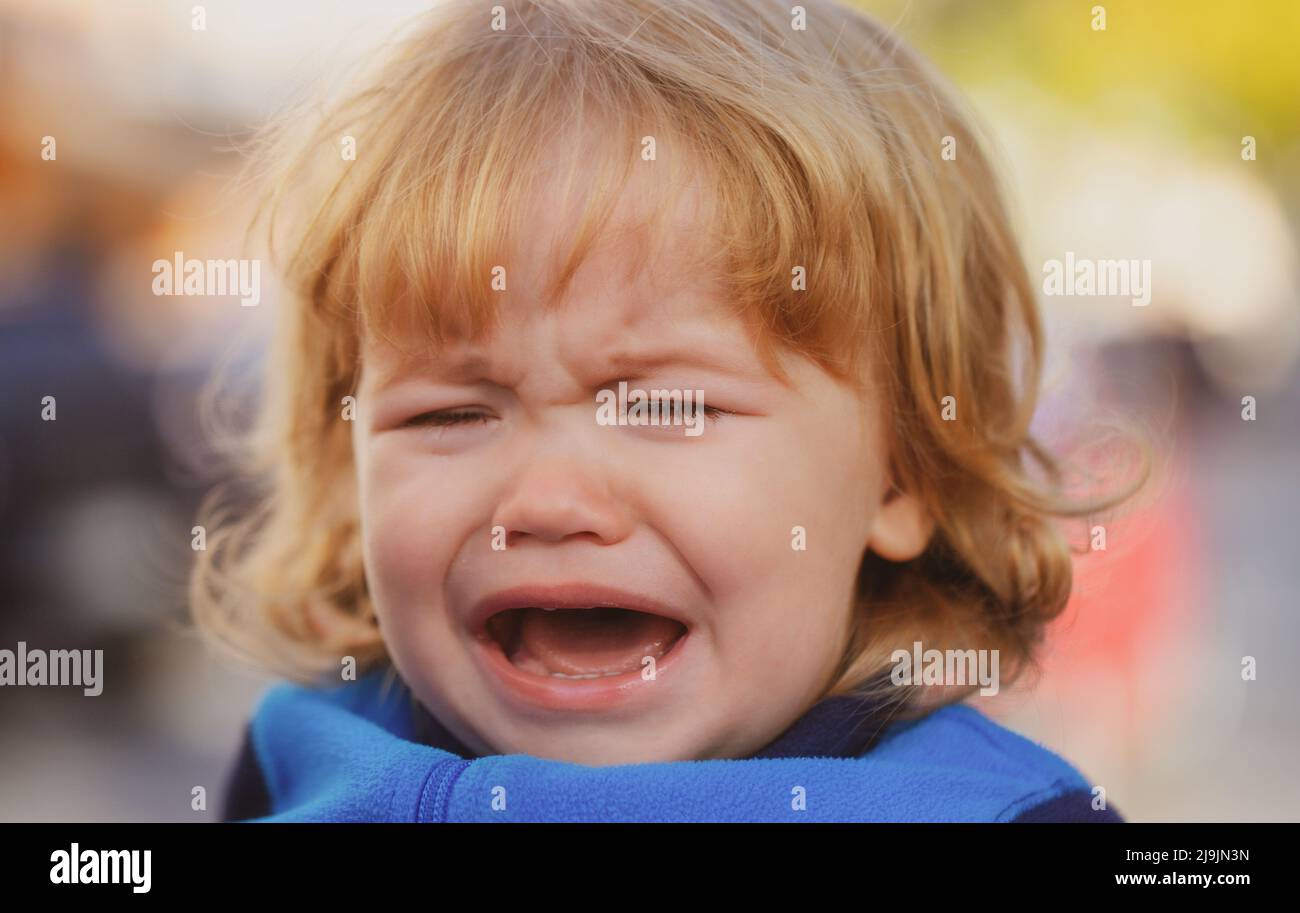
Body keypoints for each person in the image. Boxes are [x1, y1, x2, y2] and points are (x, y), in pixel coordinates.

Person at [192, 0, 1145, 822]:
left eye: (666, 403)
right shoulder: (301, 760)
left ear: (904, 470)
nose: (548, 499)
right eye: (448, 415)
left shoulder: (994, 816)